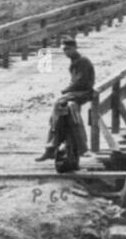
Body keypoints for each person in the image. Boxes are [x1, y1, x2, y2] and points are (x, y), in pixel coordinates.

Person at [38, 37, 95, 171]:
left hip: (84, 91)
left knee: (60, 103)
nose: (66, 52)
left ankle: (53, 144)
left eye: (68, 49)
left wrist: (66, 90)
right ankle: (54, 142)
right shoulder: (75, 61)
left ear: (75, 48)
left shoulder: (82, 61)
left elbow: (81, 82)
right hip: (77, 91)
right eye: (64, 50)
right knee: (62, 109)